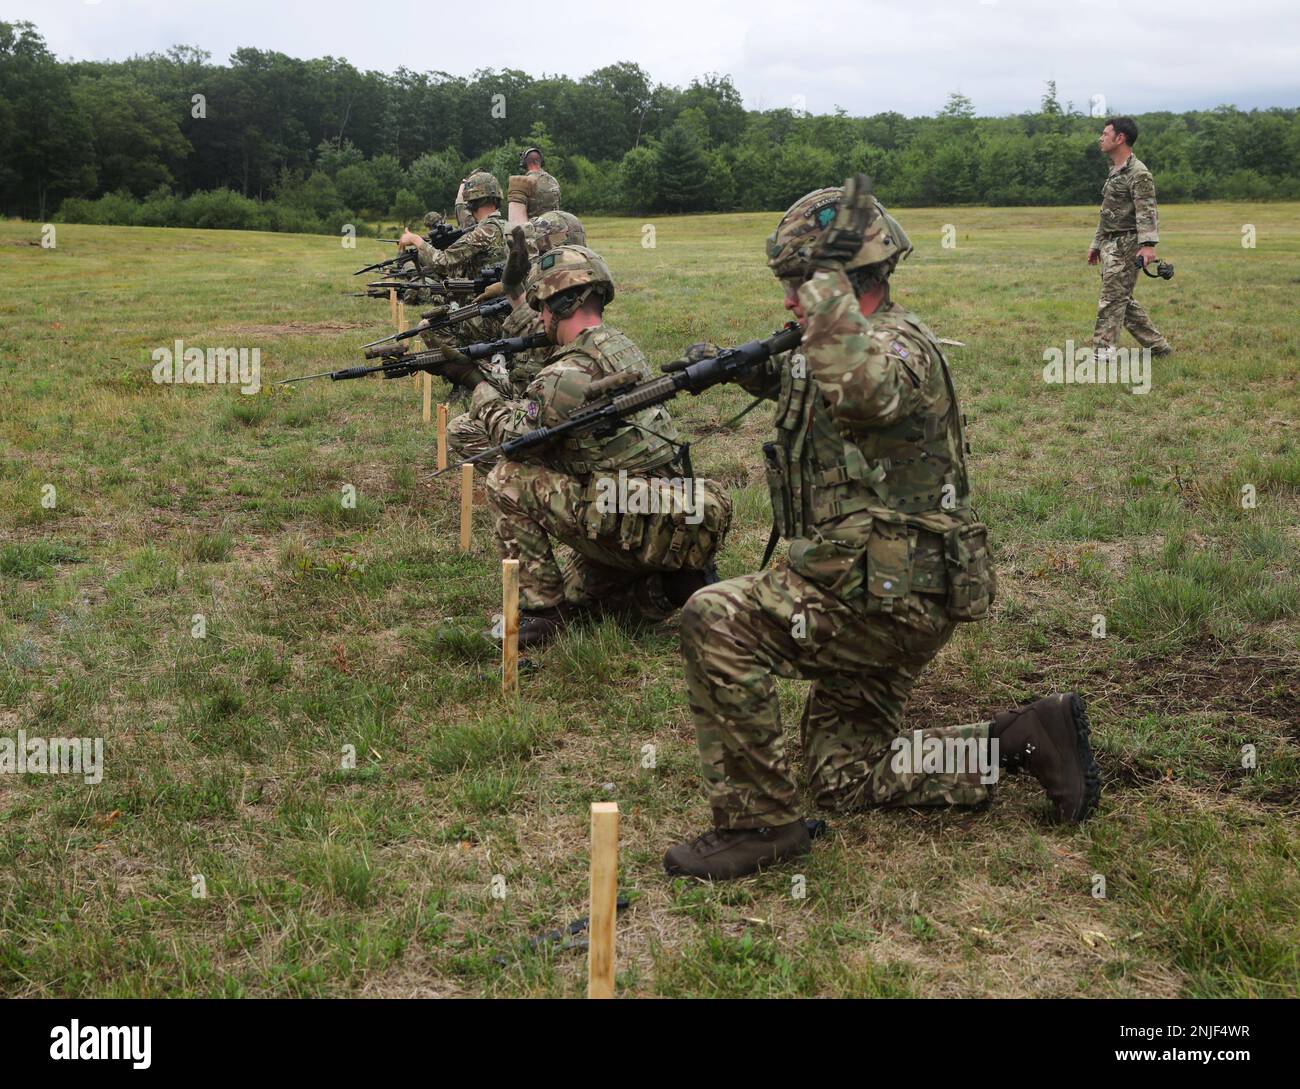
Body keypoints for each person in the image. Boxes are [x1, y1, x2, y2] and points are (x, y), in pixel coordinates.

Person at [662, 177, 1101, 880]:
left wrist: (821, 299)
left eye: (799, 284)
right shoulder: (840, 347)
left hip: (892, 596)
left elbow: (868, 390)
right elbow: (810, 376)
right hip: (873, 585)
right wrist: (729, 365)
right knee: (844, 775)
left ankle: (757, 826)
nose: (786, 301)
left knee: (716, 615)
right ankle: (1019, 739)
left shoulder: (898, 350)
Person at [441, 243, 731, 648]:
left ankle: (541, 612)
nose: (539, 317)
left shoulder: (567, 371)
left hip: (630, 510)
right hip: (660, 509)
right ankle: (675, 587)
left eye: (542, 307)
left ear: (561, 304)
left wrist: (477, 384)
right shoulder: (619, 346)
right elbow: (543, 413)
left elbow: (513, 441)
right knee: (583, 603)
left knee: (507, 480)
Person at [444, 212, 589, 468]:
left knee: (473, 433)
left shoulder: (565, 324)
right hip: (545, 411)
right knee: (463, 426)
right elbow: (524, 384)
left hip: (561, 435)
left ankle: (525, 479)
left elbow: (533, 412)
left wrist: (478, 385)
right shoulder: (568, 312)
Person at [1088, 117, 1171, 356]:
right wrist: (1096, 243)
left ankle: (1102, 353)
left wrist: (1147, 245)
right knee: (1121, 297)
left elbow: (1147, 210)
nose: (1101, 138)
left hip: (1127, 243)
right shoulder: (1115, 171)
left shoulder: (1139, 173)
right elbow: (1108, 212)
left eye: (1105, 134)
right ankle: (1158, 346)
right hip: (1110, 242)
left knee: (1112, 299)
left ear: (1120, 138)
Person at [397, 170, 507, 280]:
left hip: (483, 296)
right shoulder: (505, 226)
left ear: (472, 201)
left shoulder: (483, 232)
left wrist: (415, 240)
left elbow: (442, 263)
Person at [507, 146, 561, 224]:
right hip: (554, 229)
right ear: (541, 162)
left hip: (534, 232)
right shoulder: (554, 181)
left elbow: (517, 222)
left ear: (524, 163)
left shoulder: (524, 183)